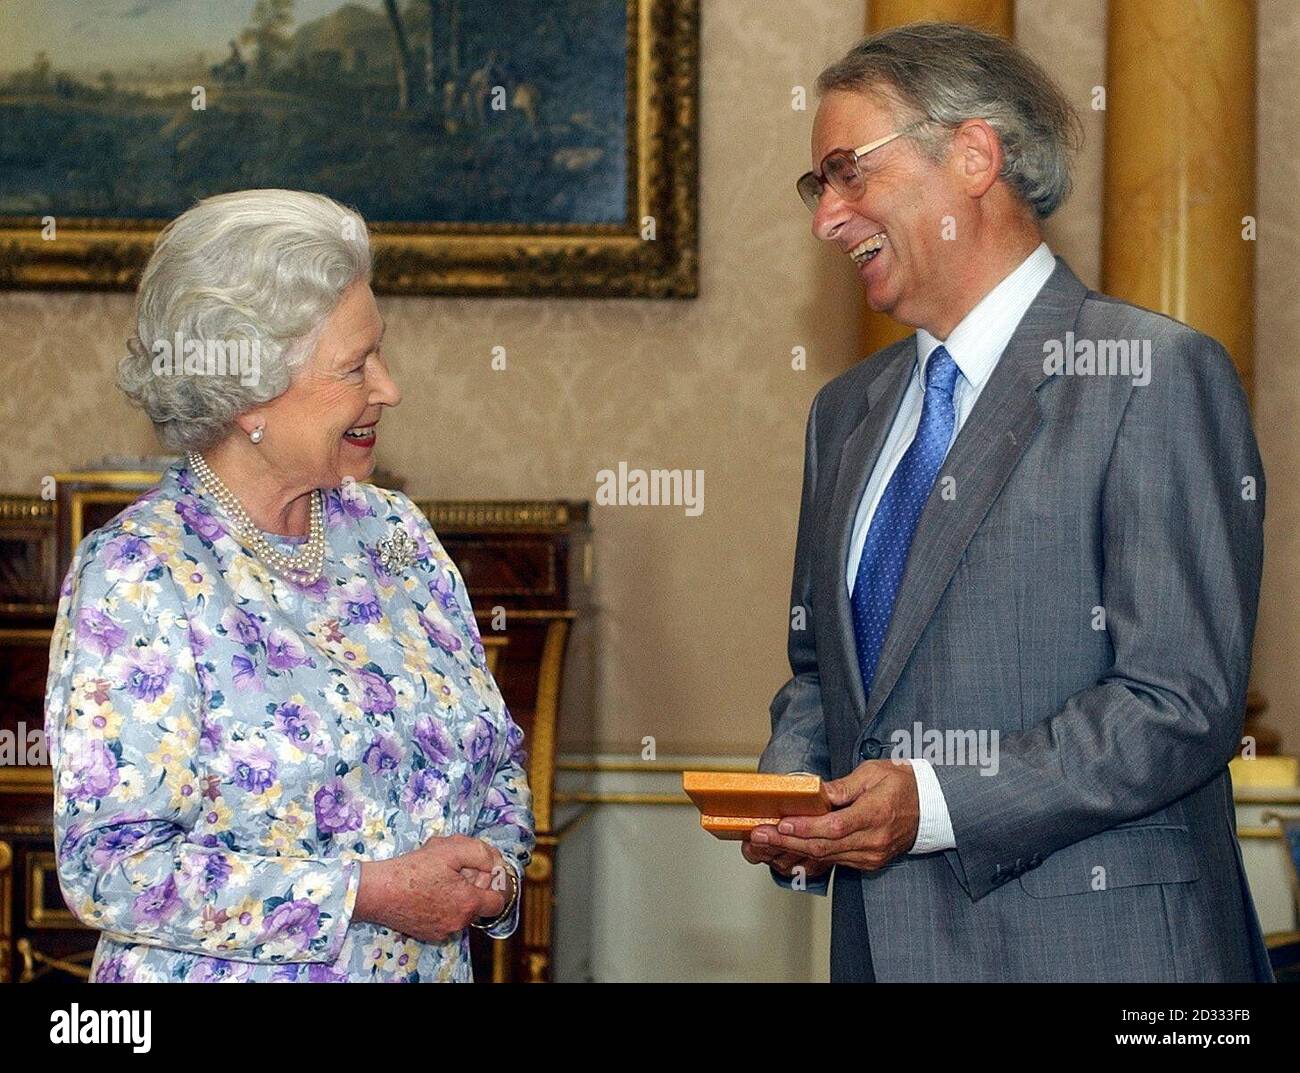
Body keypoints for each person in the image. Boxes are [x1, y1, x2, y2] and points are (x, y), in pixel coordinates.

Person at [743, 23, 1272, 982]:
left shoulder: (1151, 375)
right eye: (817, 187)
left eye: (846, 172)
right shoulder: (845, 413)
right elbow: (826, 668)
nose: (827, 217)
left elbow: (1180, 702)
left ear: (975, 154)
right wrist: (795, 790)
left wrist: (935, 802)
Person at [44, 188, 534, 982]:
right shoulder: (139, 573)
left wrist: (494, 878)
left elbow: (498, 759)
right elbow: (112, 868)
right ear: (249, 397)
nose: (389, 387)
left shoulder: (396, 533)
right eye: (354, 367)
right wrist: (367, 893)